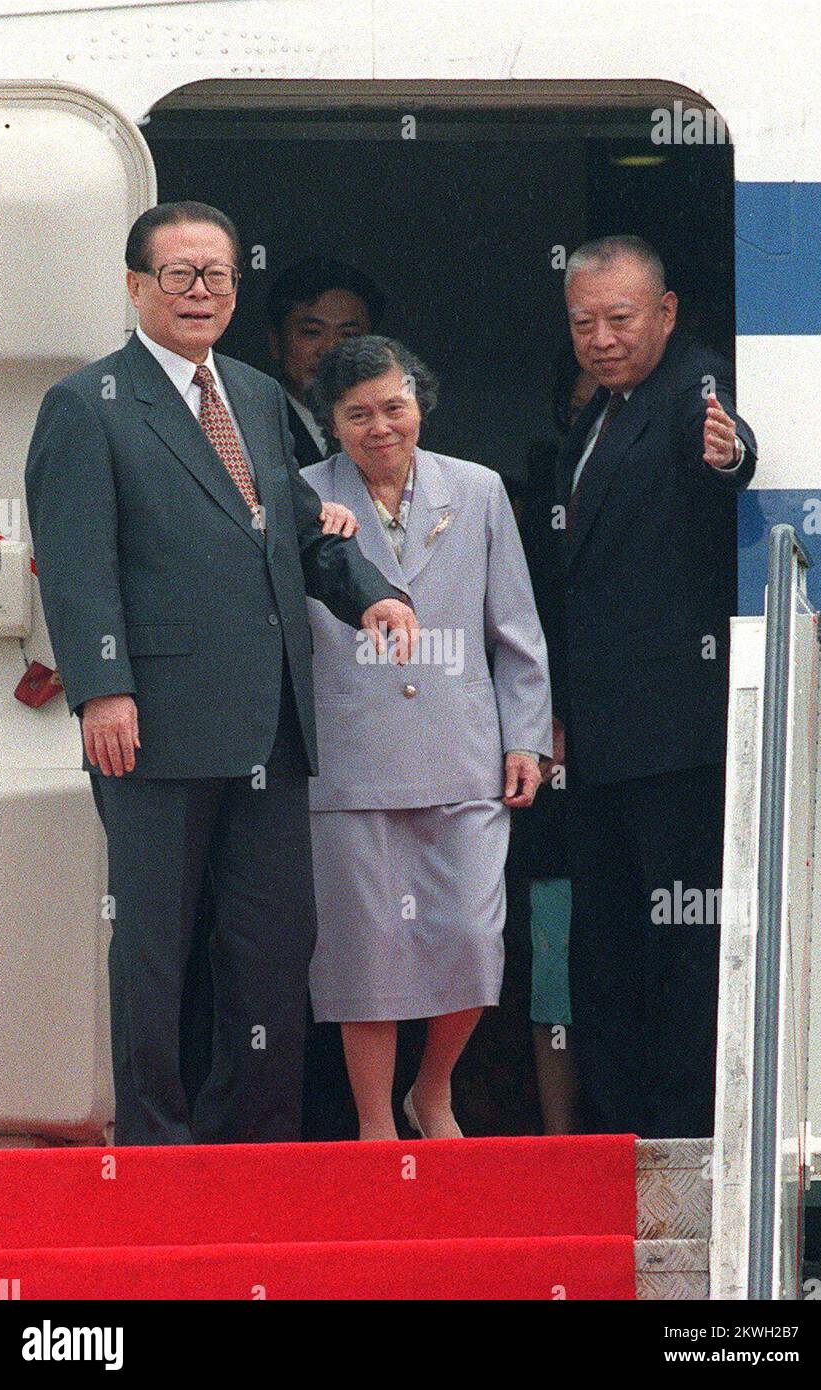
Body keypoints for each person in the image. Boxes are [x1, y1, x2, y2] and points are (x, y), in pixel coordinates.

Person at [25, 202, 417, 1146]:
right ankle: (159, 1149)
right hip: (153, 724)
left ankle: (253, 1146)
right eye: (179, 275)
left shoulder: (251, 392)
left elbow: (292, 529)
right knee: (157, 954)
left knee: (274, 953)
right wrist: (102, 687)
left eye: (219, 276)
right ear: (133, 286)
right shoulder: (89, 403)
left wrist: (370, 593)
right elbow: (77, 564)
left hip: (271, 723)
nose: (202, 292)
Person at [302, 335, 553, 1141]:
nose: (381, 426)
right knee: (363, 957)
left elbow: (515, 627)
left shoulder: (476, 491)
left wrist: (526, 738)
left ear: (420, 402)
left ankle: (432, 1092)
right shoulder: (303, 499)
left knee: (473, 942)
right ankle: (376, 1125)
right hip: (349, 760)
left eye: (394, 406)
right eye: (358, 414)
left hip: (463, 753)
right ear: (330, 424)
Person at [552, 235, 757, 1139]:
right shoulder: (596, 411)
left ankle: (675, 1131)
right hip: (602, 741)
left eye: (621, 319)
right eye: (583, 321)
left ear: (666, 314)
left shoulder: (693, 388)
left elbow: (726, 449)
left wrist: (732, 455)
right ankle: (614, 1127)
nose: (600, 338)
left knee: (678, 943)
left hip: (675, 737)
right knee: (605, 946)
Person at [511, 353, 597, 1133]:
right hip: (546, 757)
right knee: (551, 951)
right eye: (583, 405)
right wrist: (542, 717)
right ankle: (556, 1134)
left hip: (639, 744)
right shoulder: (532, 506)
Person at [266, 256, 384, 467]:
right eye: (312, 333)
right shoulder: (254, 426)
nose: (330, 350)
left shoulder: (391, 427)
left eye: (349, 335)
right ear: (276, 342)